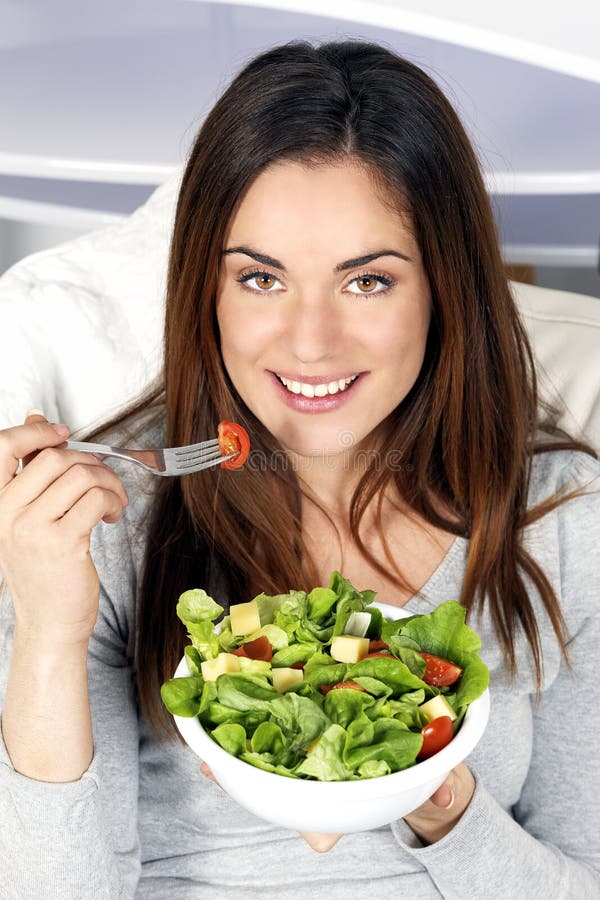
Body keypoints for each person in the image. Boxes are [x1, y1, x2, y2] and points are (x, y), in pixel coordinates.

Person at [0, 38, 599, 900]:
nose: (310, 343)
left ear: (444, 287)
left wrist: (429, 787)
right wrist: (45, 630)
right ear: (204, 287)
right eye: (261, 280)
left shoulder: (561, 517)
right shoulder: (103, 519)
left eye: (367, 283)